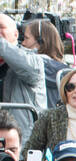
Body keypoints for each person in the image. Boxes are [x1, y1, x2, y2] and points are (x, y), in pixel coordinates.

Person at [0, 14, 46, 143]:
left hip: (22, 142)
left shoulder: (33, 59)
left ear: (15, 34)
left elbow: (29, 71)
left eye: (1, 27)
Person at [20, 18, 64, 112]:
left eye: (26, 38)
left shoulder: (31, 66)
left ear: (40, 42)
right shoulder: (65, 71)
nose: (23, 43)